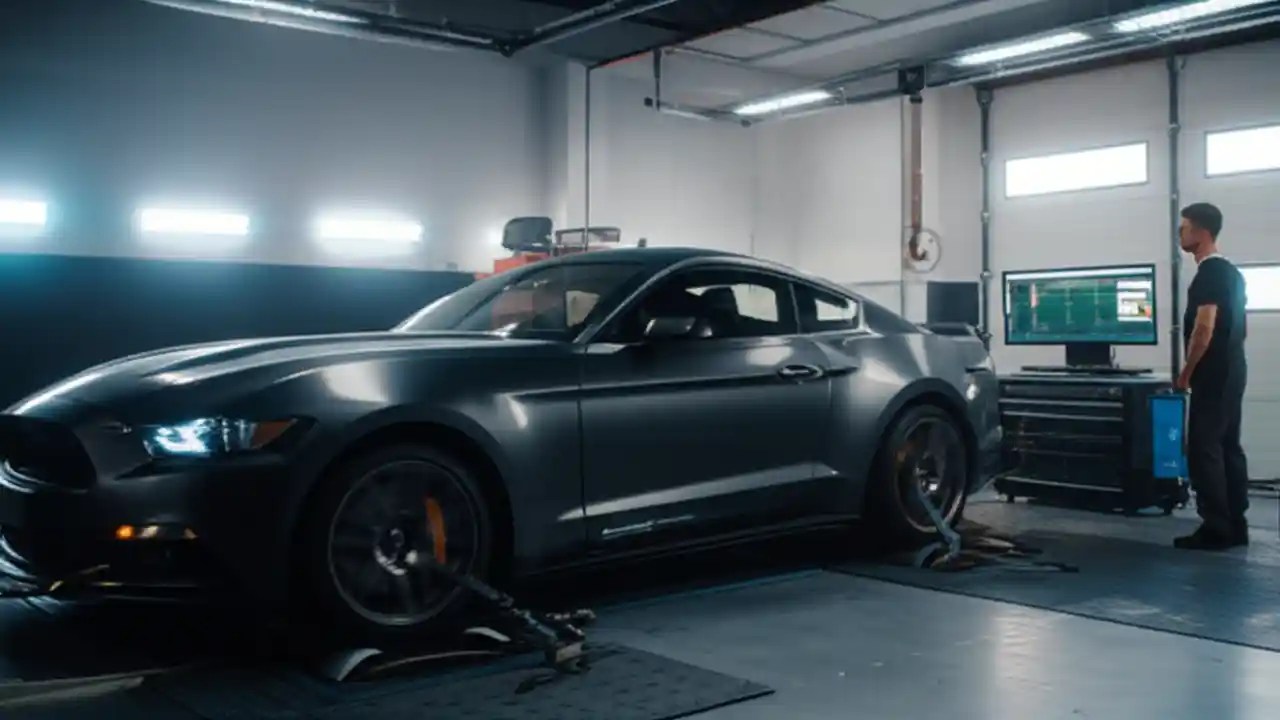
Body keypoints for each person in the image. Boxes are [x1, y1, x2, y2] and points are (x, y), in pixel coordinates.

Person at [1174, 202, 1249, 551]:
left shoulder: (1209, 274)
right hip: (1233, 368)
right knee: (1227, 445)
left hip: (1213, 373)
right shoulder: (1232, 273)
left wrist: (1186, 373)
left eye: (1184, 227)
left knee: (1204, 448)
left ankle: (1216, 527)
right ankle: (1236, 524)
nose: (1180, 233)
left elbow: (1204, 329)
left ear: (1202, 232)